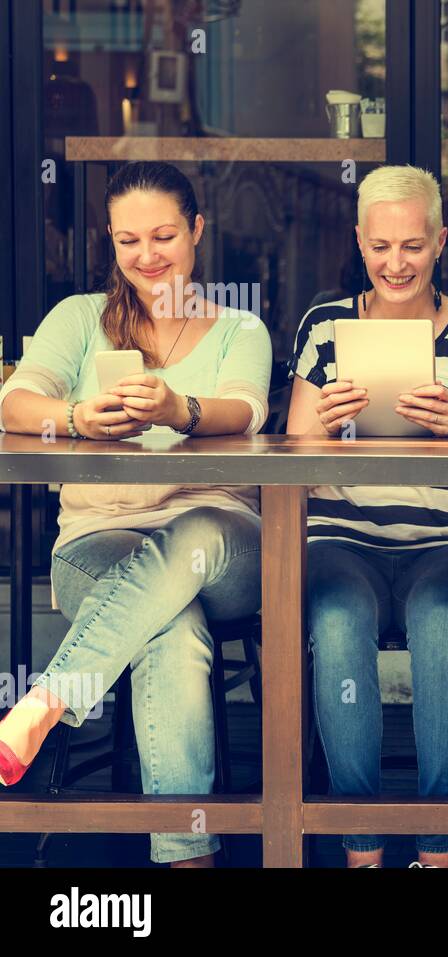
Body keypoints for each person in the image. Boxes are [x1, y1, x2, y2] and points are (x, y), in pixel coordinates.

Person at [0, 161, 271, 867]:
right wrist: (77, 416)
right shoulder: (78, 318)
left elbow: (245, 410)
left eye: (164, 236)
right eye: (128, 240)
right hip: (101, 540)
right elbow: (13, 403)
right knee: (171, 630)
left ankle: (51, 698)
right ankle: (188, 857)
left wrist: (181, 410)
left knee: (196, 534)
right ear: (110, 241)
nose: (147, 256)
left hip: (224, 545)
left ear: (197, 231)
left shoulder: (240, 326)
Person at [286, 165, 448, 869]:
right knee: (334, 618)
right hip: (342, 539)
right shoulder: (325, 325)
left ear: (441, 241)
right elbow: (297, 475)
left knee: (442, 619)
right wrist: (323, 428)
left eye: (412, 246)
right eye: (381, 246)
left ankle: (438, 852)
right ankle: (364, 850)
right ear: (360, 242)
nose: (396, 263)